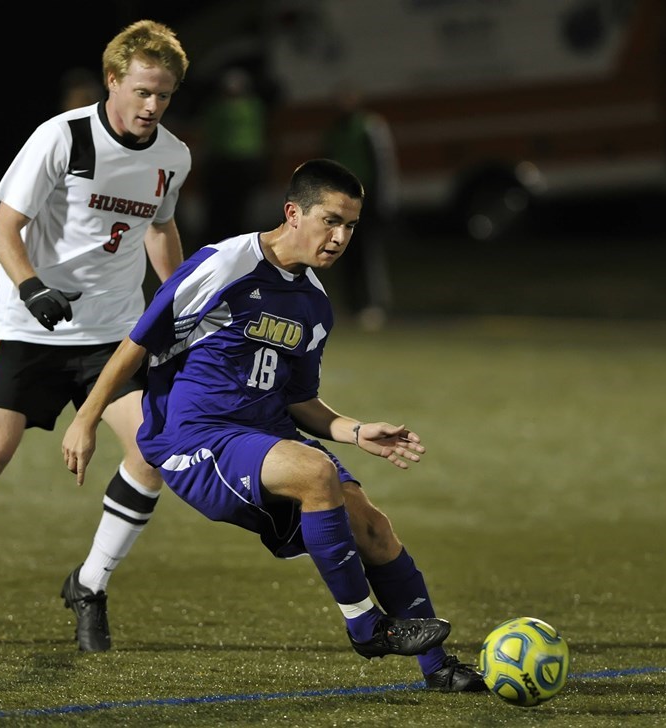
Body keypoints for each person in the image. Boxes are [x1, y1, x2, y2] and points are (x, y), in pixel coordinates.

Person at [62, 159, 486, 691]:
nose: (340, 237)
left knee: (375, 531)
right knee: (314, 473)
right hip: (197, 439)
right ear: (293, 212)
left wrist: (356, 431)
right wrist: (87, 416)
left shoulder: (314, 302)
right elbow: (137, 344)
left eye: (351, 226)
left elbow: (299, 399)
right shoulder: (223, 264)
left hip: (266, 437)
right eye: (331, 221)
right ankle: (364, 625)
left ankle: (439, 669)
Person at [0, 20, 191, 655]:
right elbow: (3, 228)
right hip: (31, 325)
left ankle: (90, 584)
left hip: (114, 334)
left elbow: (159, 229)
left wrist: (177, 300)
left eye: (165, 95)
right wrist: (32, 287)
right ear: (113, 81)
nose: (153, 107)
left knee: (153, 456)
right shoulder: (61, 138)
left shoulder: (173, 156)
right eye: (144, 91)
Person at [321, 91, 398, 331]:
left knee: (368, 252)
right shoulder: (334, 130)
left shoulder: (370, 126)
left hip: (366, 200)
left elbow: (383, 164)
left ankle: (374, 304)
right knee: (341, 252)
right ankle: (351, 304)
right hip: (339, 202)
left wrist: (383, 199)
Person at [198, 66, 269, 242]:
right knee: (233, 204)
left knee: (232, 204)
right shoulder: (254, 106)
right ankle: (232, 237)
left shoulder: (221, 107)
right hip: (233, 161)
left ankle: (227, 237)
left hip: (235, 161)